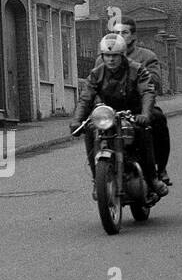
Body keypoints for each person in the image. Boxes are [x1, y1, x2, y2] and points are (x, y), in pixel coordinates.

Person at [74, 33, 168, 202]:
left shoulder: (137, 69)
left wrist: (145, 114)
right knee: (90, 130)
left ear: (122, 55)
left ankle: (152, 179)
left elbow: (147, 91)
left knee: (143, 132)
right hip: (108, 113)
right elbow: (86, 97)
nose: (111, 60)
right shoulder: (97, 73)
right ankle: (97, 180)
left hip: (134, 112)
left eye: (114, 56)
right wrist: (77, 120)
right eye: (107, 56)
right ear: (102, 56)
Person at [90, 19, 172, 186]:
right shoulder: (102, 59)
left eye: (124, 33)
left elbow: (154, 83)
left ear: (134, 35)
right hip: (111, 109)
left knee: (157, 120)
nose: (120, 36)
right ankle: (97, 178)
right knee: (91, 130)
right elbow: (93, 86)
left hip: (139, 106)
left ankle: (160, 168)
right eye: (116, 33)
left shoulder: (147, 56)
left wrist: (139, 85)